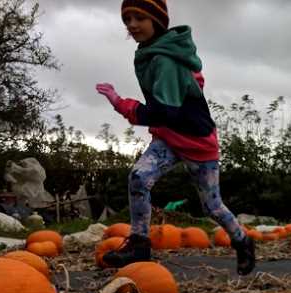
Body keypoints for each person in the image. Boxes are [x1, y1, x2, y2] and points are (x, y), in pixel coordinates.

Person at [96, 0, 255, 274]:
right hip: (169, 138)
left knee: (212, 207)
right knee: (139, 177)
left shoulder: (164, 59)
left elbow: (164, 111)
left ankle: (242, 241)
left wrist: (120, 103)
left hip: (197, 142)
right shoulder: (152, 52)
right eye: (128, 19)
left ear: (156, 21)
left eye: (139, 18)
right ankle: (139, 243)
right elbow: (185, 88)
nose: (132, 25)